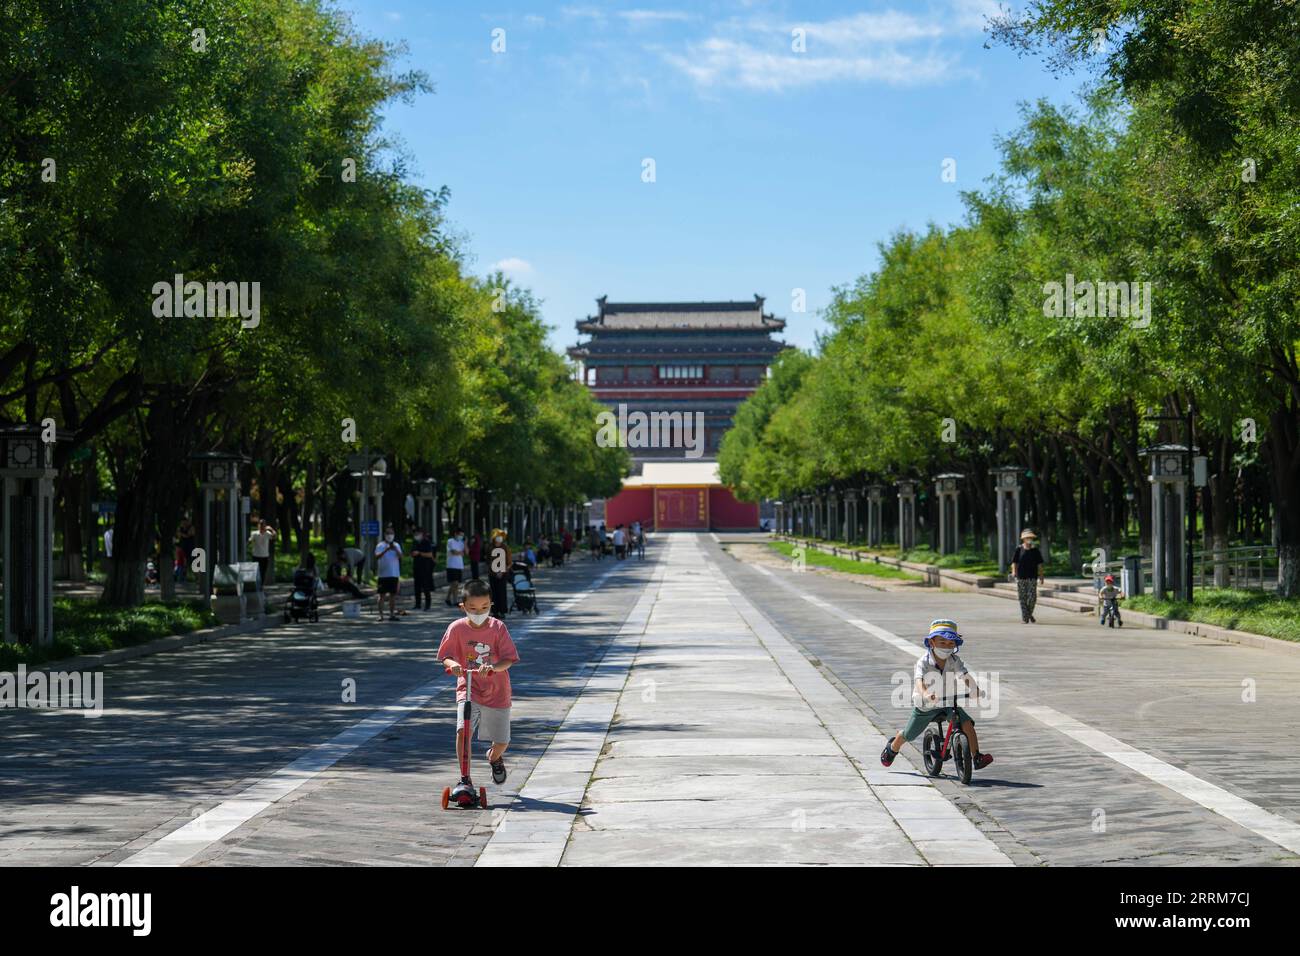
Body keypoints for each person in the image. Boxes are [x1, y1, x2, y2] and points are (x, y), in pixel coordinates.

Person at [880, 618, 993, 771]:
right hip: (925, 705)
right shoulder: (924, 662)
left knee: (966, 723)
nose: (946, 646)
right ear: (931, 642)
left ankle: (976, 756)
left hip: (948, 703)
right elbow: (919, 681)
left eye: (951, 643)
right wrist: (926, 694)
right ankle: (893, 747)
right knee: (909, 734)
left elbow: (964, 675)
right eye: (942, 642)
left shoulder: (954, 660)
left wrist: (974, 689)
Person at [437, 579, 519, 786]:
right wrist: (454, 664)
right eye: (472, 608)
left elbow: (509, 659)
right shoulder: (456, 628)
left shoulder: (498, 627)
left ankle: (494, 757)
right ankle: (465, 777)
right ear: (463, 607)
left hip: (497, 691)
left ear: (491, 604)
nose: (479, 612)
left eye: (484, 607)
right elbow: (445, 656)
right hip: (468, 688)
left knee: (502, 741)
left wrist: (493, 667)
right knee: (463, 731)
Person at [1011, 528, 1046, 624]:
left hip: (1032, 577)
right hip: (1021, 577)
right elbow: (1014, 562)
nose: (1029, 539)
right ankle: (1025, 618)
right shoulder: (1019, 549)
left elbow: (1040, 564)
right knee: (1022, 598)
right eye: (1027, 538)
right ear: (1023, 539)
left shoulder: (1035, 550)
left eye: (1030, 538)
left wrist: (1041, 576)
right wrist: (1014, 572)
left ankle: (1029, 614)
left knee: (1032, 598)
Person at [374, 523, 403, 621]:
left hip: (394, 574)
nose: (390, 535)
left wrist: (395, 549)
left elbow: (401, 557)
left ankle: (392, 614)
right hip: (383, 575)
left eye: (391, 533)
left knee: (392, 596)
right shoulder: (380, 545)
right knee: (381, 595)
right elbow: (377, 556)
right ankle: (381, 615)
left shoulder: (396, 545)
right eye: (388, 533)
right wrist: (386, 550)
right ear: (385, 535)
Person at [486, 528, 512, 618]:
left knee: (502, 592)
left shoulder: (505, 547)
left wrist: (502, 571)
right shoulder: (490, 547)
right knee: (493, 593)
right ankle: (494, 611)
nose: (499, 538)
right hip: (492, 574)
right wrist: (494, 572)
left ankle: (502, 611)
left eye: (501, 536)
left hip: (503, 574)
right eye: (498, 536)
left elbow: (509, 562)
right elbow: (488, 561)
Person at [411, 527, 436, 611]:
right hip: (416, 567)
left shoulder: (426, 542)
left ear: (421, 534)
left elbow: (430, 554)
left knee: (426, 586)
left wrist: (419, 553)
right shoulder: (415, 542)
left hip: (425, 568)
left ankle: (427, 604)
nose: (416, 535)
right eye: (415, 534)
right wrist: (413, 554)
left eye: (417, 534)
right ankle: (417, 604)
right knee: (417, 587)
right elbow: (412, 553)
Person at [249, 519, 277, 588]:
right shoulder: (254, 533)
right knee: (256, 572)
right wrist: (250, 541)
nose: (262, 527)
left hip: (264, 556)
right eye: (260, 525)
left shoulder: (267, 533)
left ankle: (261, 586)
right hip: (256, 555)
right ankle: (256, 586)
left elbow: (274, 536)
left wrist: (271, 529)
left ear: (265, 526)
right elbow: (250, 540)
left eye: (263, 525)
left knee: (263, 572)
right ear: (258, 525)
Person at [446, 528, 466, 606]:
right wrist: (460, 552)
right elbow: (453, 552)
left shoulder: (461, 542)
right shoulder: (450, 541)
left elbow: (466, 552)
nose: (461, 536)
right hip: (451, 565)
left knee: (455, 584)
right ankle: (455, 600)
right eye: (460, 535)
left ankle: (448, 598)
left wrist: (466, 543)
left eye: (462, 535)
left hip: (459, 565)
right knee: (455, 583)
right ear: (455, 534)